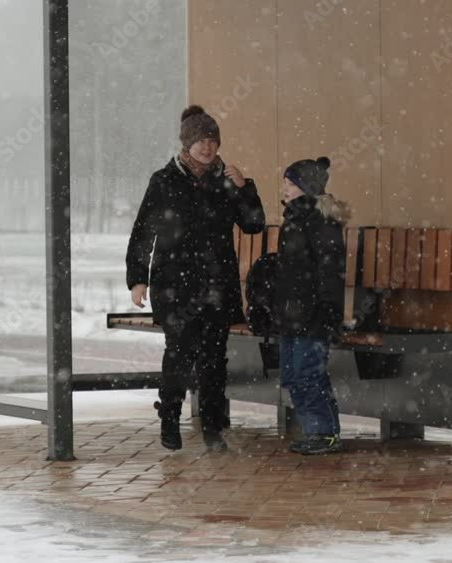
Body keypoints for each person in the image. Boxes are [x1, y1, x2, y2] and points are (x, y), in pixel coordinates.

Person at [126, 105, 265, 452]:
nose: (207, 146)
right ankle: (170, 418)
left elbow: (254, 224)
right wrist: (137, 278)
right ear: (187, 144)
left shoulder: (227, 182)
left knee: (214, 357)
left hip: (216, 286)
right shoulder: (164, 181)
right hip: (174, 285)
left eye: (212, 140)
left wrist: (244, 187)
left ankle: (213, 428)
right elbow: (144, 232)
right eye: (200, 140)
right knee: (179, 352)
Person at [275, 156, 350, 455]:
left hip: (313, 314)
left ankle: (325, 432)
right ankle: (312, 430)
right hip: (293, 314)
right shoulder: (294, 218)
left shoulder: (319, 221)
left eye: (291, 183)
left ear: (307, 189)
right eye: (285, 182)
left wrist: (327, 309)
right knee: (292, 374)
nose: (285, 188)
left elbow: (329, 270)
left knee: (308, 372)